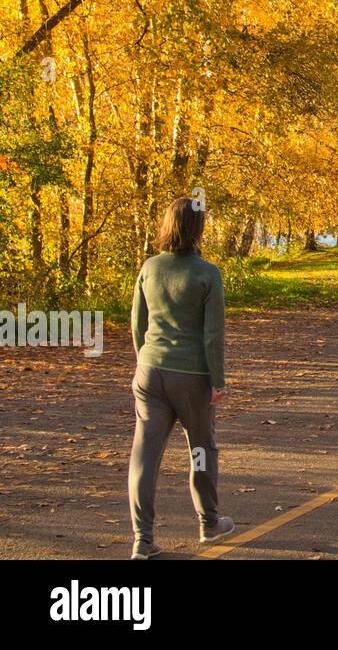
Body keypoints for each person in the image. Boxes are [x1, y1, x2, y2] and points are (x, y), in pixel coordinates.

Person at [128, 195, 234, 559]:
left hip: (149, 372)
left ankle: (143, 540)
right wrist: (217, 381)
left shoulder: (149, 268)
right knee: (201, 449)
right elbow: (212, 335)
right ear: (198, 229)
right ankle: (208, 523)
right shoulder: (207, 274)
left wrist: (144, 361)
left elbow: (138, 324)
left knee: (145, 456)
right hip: (190, 377)